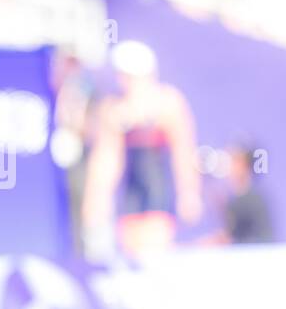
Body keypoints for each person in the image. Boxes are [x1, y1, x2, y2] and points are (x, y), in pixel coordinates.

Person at [81, 40, 202, 261]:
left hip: (159, 194)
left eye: (128, 76)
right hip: (132, 196)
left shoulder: (168, 102)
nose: (123, 81)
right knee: (132, 253)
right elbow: (106, 159)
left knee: (155, 250)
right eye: (121, 76)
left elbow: (183, 152)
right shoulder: (113, 108)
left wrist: (189, 192)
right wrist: (97, 198)